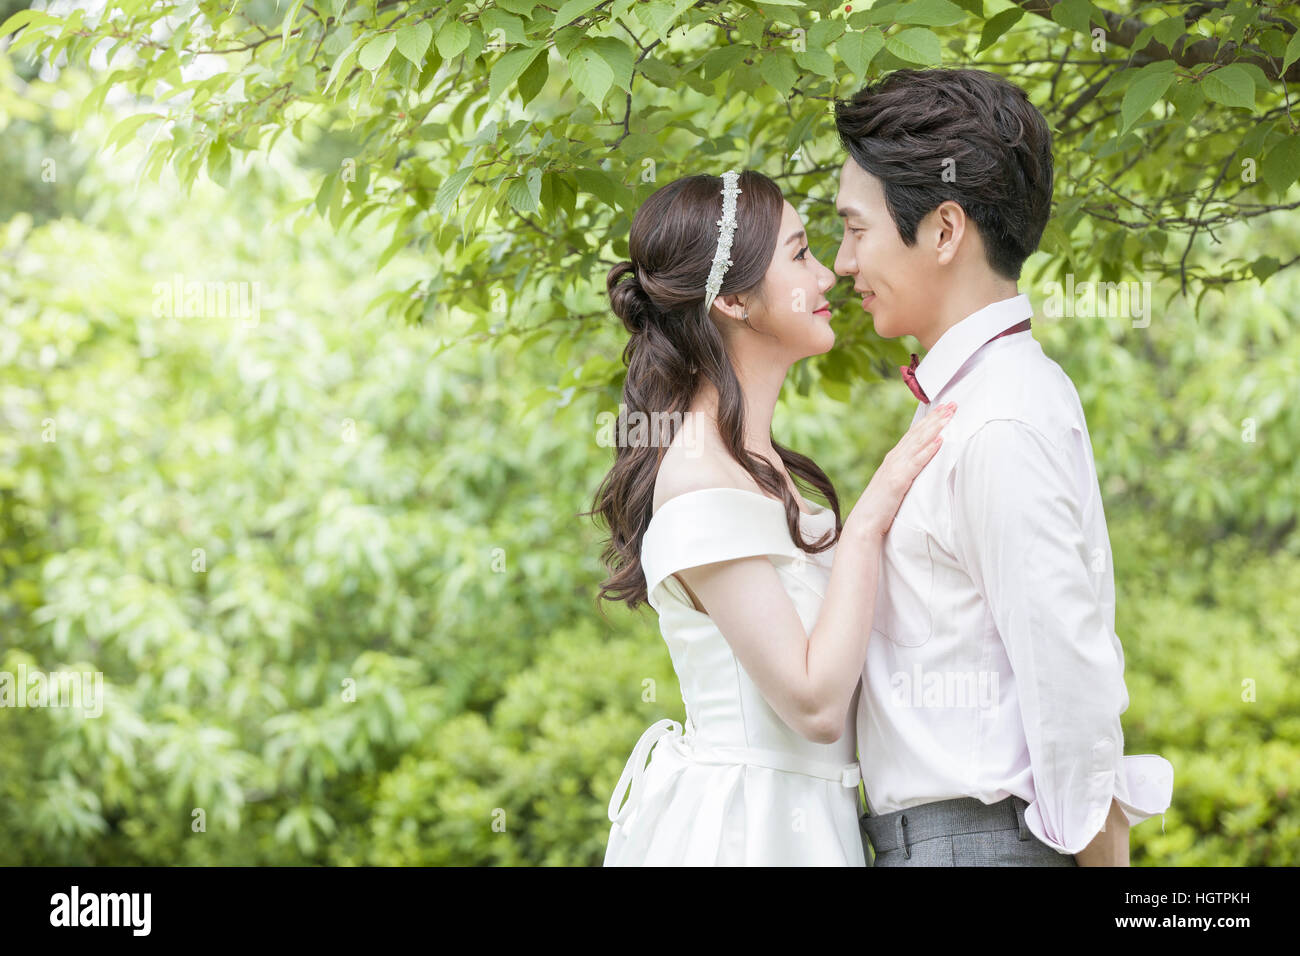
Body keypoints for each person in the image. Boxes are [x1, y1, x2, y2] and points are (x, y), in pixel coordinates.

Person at [831, 68, 1174, 866]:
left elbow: (1069, 678)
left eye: (855, 229)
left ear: (945, 230)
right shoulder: (979, 397)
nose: (843, 262)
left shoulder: (1001, 418)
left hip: (980, 845)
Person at [592, 169, 954, 865]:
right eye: (799, 254)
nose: (828, 276)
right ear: (731, 297)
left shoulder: (763, 469)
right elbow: (814, 705)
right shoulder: (698, 477)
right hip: (744, 830)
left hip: (813, 820)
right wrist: (870, 518)